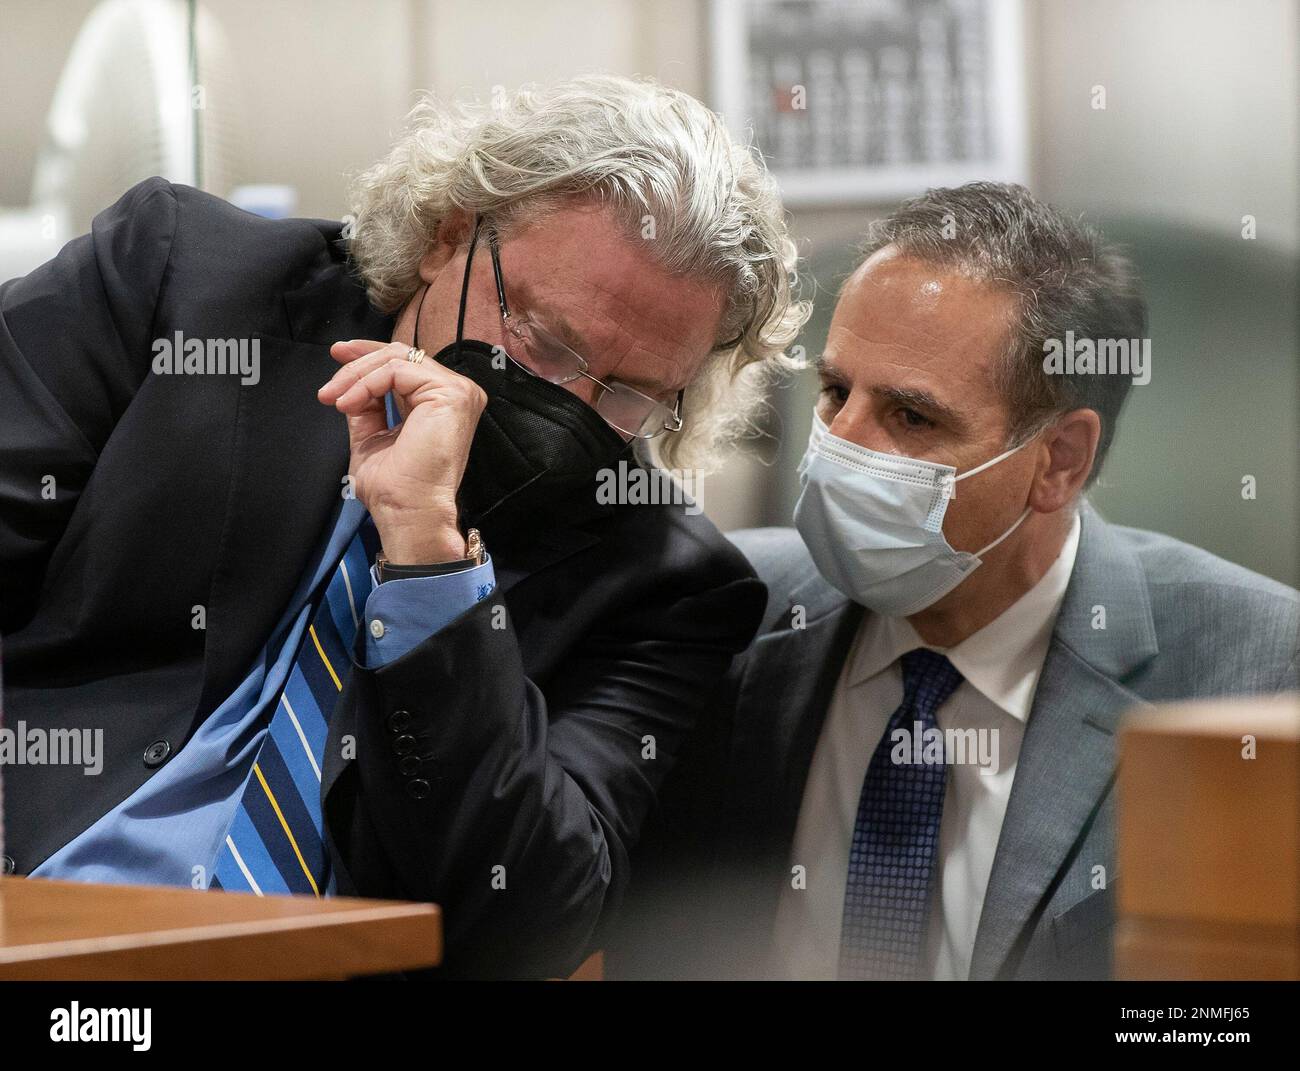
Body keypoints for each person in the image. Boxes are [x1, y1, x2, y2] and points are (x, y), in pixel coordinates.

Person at [0, 74, 808, 978]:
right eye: (540, 341)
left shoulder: (664, 584)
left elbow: (528, 926)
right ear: (450, 233)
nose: (564, 403)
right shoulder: (184, 284)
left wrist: (431, 563)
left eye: (628, 393)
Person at [610, 182, 1299, 981]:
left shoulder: (1258, 676)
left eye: (912, 417)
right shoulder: (716, 612)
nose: (838, 449)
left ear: (1060, 460)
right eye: (835, 393)